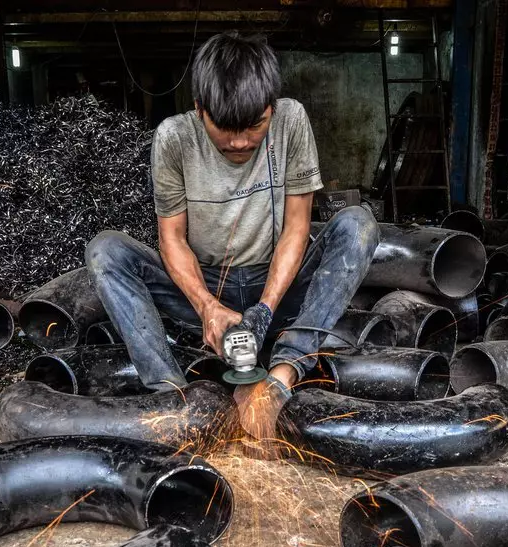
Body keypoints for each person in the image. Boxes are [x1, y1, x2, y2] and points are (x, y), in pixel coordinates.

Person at [86, 31, 379, 439]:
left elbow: (297, 226)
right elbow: (171, 238)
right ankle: (178, 400)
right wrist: (207, 307)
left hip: (278, 284)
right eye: (225, 128)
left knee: (358, 225)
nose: (240, 141)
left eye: (255, 125)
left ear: (271, 108)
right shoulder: (174, 137)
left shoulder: (291, 120)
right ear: (199, 108)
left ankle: (282, 373)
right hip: (204, 286)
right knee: (106, 251)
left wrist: (264, 310)